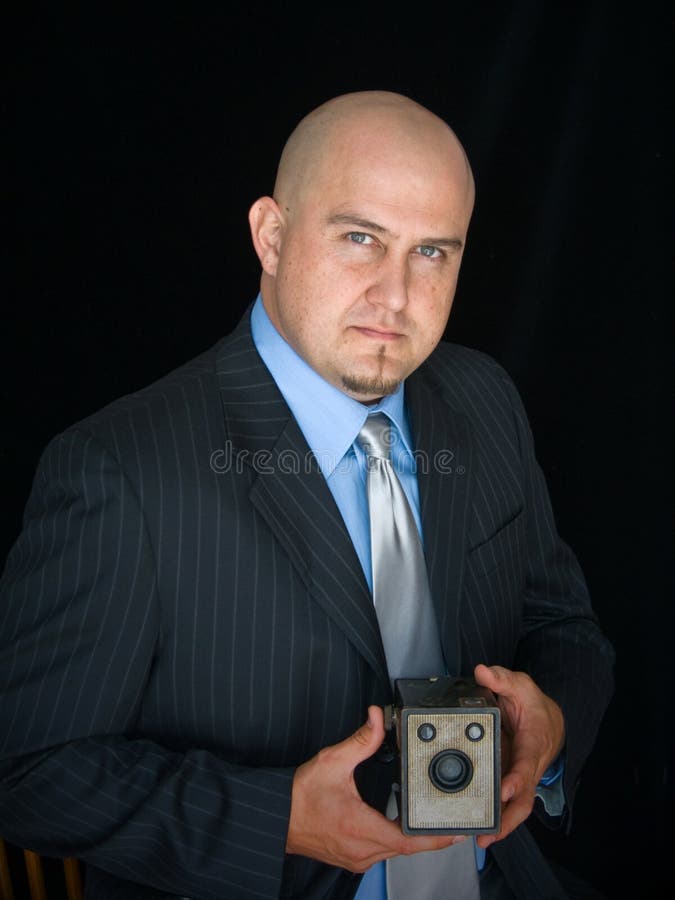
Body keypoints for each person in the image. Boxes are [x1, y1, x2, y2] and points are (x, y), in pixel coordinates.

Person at [0, 90, 614, 900]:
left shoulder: (483, 399)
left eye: (432, 252)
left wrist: (552, 724)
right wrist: (277, 817)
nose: (394, 297)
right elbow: (26, 768)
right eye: (360, 238)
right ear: (272, 236)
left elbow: (563, 626)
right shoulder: (118, 469)